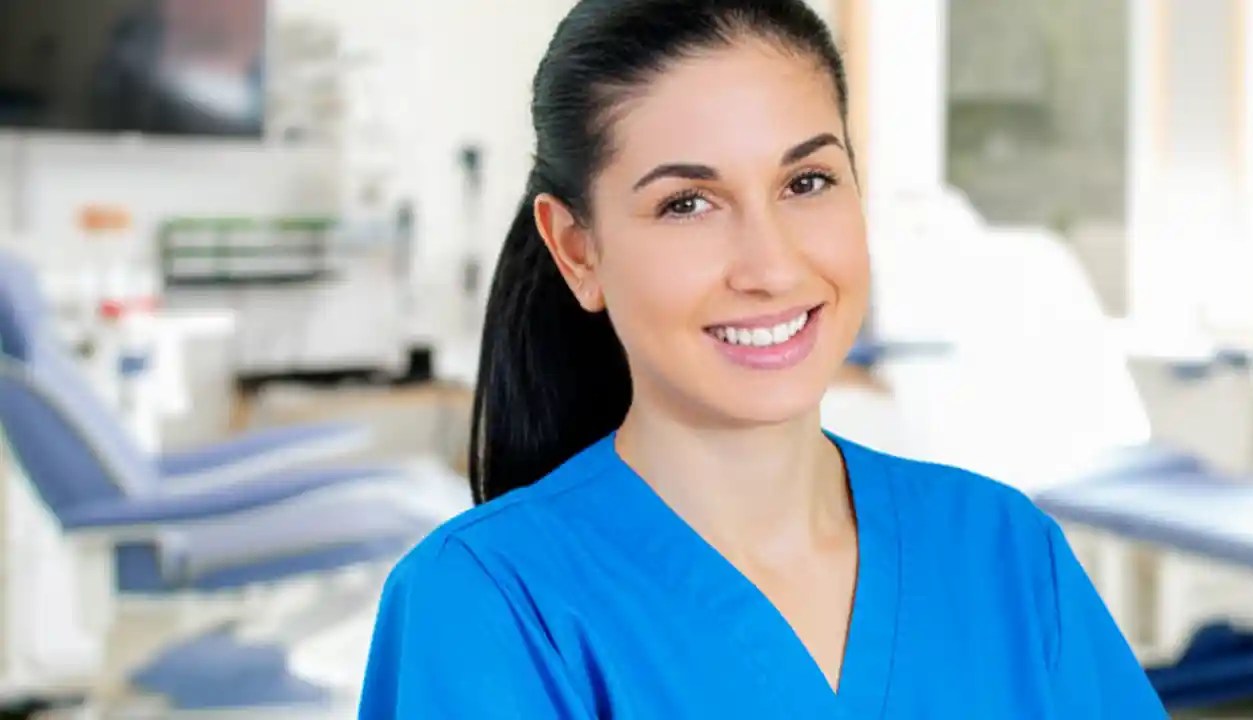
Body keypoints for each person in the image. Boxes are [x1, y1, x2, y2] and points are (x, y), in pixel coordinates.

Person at [359, 0, 1166, 716]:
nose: (772, 267)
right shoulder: (487, 605)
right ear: (578, 251)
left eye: (807, 182)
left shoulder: (1003, 552)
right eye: (687, 204)